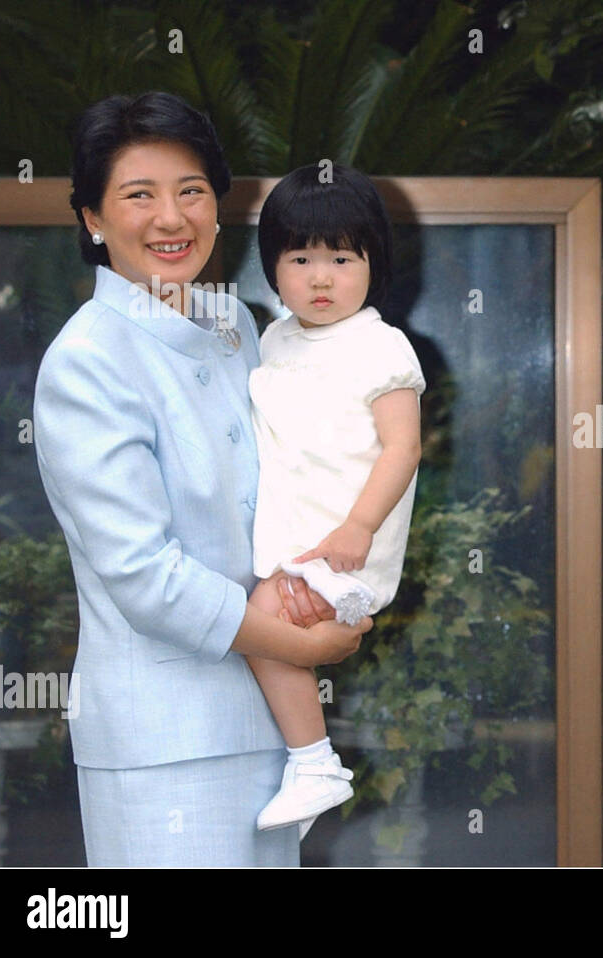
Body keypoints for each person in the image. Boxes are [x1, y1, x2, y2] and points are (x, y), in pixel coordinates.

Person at [33, 91, 371, 867]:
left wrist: (336, 589)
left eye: (190, 190)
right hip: (164, 746)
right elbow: (143, 577)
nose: (170, 217)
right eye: (137, 195)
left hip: (274, 733)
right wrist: (304, 645)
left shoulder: (236, 326)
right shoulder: (87, 361)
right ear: (91, 217)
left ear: (219, 204)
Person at [246, 163, 424, 835]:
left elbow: (402, 447)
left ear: (373, 262)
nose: (322, 277)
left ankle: (314, 762)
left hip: (345, 549)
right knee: (268, 626)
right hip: (291, 542)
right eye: (301, 257)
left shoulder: (382, 346)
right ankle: (304, 770)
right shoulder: (274, 340)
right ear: (273, 265)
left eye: (342, 257)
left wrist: (358, 527)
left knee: (261, 622)